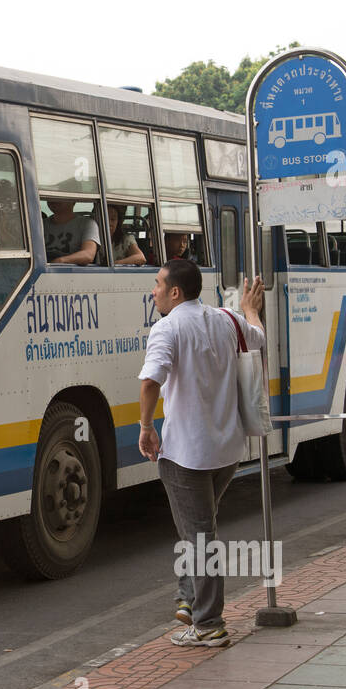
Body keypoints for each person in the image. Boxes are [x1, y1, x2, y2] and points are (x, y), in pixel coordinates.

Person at [137, 258, 266, 647]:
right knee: (197, 526)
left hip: (187, 455)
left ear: (175, 291)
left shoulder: (166, 328)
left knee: (199, 537)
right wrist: (250, 311)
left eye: (158, 284)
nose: (154, 290)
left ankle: (209, 624)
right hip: (227, 450)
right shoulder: (226, 319)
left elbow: (150, 382)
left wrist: (145, 427)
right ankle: (189, 599)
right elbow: (258, 338)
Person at [44, 200, 100, 264]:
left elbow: (88, 255)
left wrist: (59, 261)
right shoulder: (41, 224)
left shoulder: (87, 223)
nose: (53, 199)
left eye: (59, 196)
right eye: (50, 196)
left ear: (73, 201)